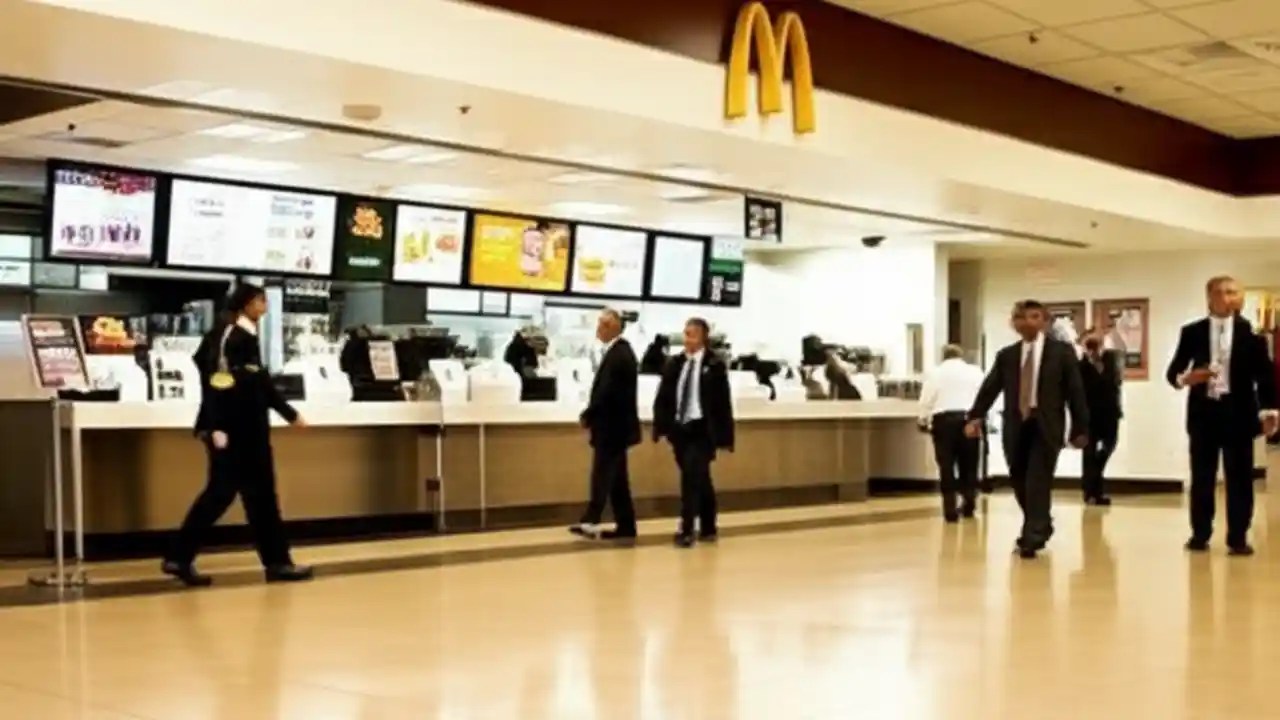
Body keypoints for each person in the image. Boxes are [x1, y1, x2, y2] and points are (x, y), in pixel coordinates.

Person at [163, 283, 313, 586]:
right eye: (260, 301)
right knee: (225, 495)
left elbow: (258, 381)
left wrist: (289, 413)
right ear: (245, 304)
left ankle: (276, 562)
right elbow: (215, 380)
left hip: (249, 428)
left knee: (255, 498)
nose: (265, 306)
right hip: (232, 430)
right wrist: (216, 425)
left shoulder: (245, 337)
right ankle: (180, 556)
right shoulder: (229, 335)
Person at [966, 300, 1089, 559]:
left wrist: (1081, 427)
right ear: (1014, 323)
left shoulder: (1062, 352)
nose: (1028, 322)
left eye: (1034, 316)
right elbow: (990, 388)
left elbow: (1075, 392)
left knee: (1038, 480)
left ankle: (1032, 536)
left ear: (1044, 322)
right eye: (1021, 317)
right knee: (1019, 479)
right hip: (1015, 425)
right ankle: (1041, 522)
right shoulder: (1007, 356)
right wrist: (975, 415)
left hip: (1046, 425)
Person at [1166, 275, 1278, 556]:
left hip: (1239, 414)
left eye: (1235, 292)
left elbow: (1265, 377)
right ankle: (1200, 533)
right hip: (1204, 414)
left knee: (1240, 477)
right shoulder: (1192, 332)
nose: (1231, 298)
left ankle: (1238, 536)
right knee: (1202, 476)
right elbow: (1173, 373)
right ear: (1210, 297)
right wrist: (1189, 378)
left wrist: (1269, 411)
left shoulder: (1252, 336)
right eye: (1225, 292)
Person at [653, 317, 735, 548]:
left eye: (692, 334)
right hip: (680, 429)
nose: (687, 339)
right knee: (699, 478)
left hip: (701, 429)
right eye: (685, 333)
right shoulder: (675, 363)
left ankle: (686, 528)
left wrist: (725, 437)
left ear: (703, 338)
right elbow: (664, 397)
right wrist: (661, 427)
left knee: (690, 477)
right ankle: (708, 524)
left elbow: (722, 404)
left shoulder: (714, 365)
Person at [571, 309, 641, 541]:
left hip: (612, 428)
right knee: (617, 479)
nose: (597, 330)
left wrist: (590, 414)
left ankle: (591, 519)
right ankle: (626, 525)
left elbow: (608, 392)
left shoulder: (619, 355)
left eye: (601, 326)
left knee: (602, 475)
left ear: (612, 328)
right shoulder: (619, 352)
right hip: (615, 428)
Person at [917, 344, 984, 523]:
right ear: (961, 356)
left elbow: (926, 399)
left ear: (944, 356)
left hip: (944, 421)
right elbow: (984, 396)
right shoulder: (975, 372)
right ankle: (969, 503)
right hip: (970, 419)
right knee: (970, 463)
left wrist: (922, 419)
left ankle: (950, 509)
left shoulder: (935, 373)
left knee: (946, 466)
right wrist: (984, 420)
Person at [1079, 329, 1123, 506]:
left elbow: (1116, 384)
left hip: (1110, 413)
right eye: (1090, 345)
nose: (1094, 349)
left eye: (1097, 344)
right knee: (1089, 454)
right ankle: (1091, 492)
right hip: (1089, 416)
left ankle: (1094, 482)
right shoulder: (1080, 366)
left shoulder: (1111, 360)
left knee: (1109, 446)